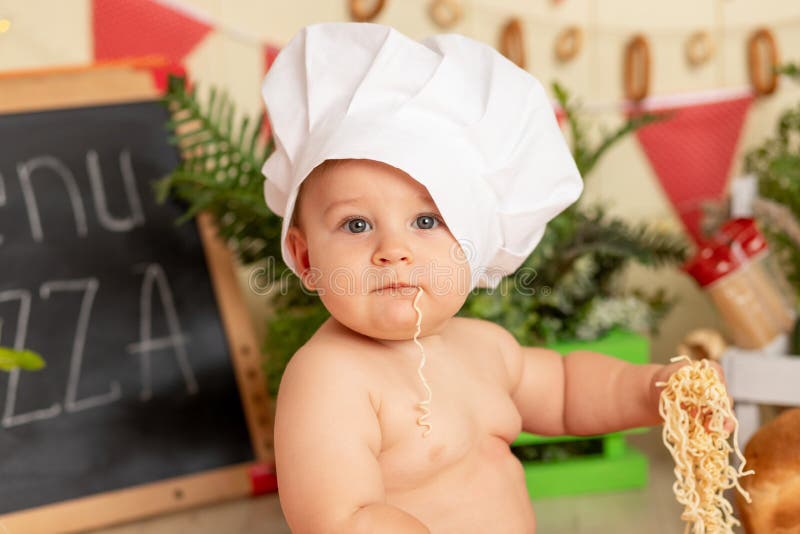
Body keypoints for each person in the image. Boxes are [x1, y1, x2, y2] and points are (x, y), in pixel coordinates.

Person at [261, 22, 732, 534]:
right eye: (356, 225)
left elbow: (570, 393)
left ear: (476, 243)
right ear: (304, 258)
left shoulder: (485, 348)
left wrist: (655, 391)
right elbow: (340, 519)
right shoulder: (328, 379)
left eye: (426, 221)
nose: (392, 251)